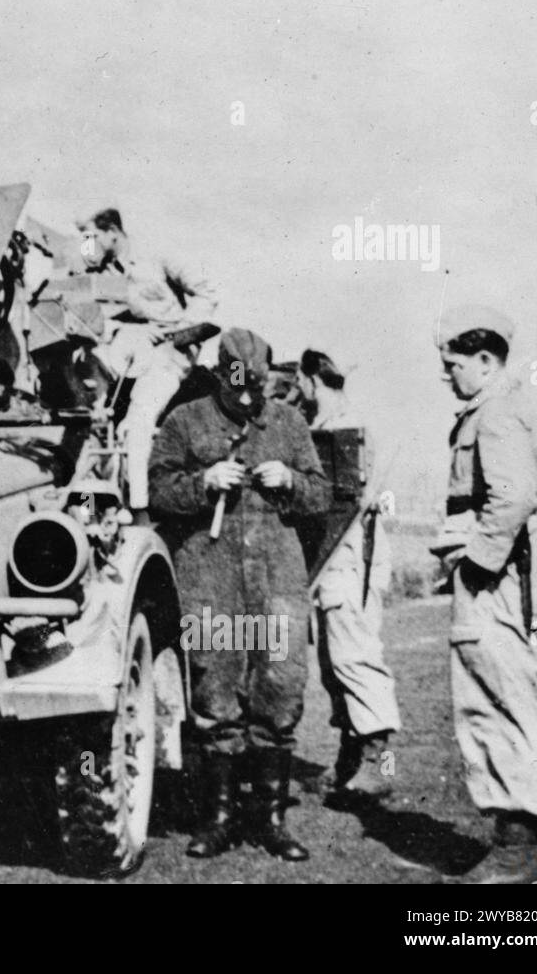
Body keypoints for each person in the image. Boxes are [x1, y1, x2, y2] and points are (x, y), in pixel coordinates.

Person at [149, 328, 331, 860]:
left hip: (276, 580)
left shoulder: (290, 422)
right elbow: (158, 490)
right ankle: (218, 818)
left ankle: (271, 821)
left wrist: (292, 482)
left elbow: (322, 495)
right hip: (211, 578)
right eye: (238, 389)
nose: (249, 399)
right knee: (214, 692)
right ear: (219, 376)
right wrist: (203, 482)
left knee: (280, 687)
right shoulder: (184, 422)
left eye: (257, 388)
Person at [431, 305, 537, 883]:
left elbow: (510, 499)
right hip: (507, 573)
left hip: (501, 580)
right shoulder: (494, 409)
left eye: (454, 364)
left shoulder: (496, 414)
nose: (448, 375)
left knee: (500, 700)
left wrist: (476, 564)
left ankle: (518, 845)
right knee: (505, 699)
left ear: (486, 362)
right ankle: (516, 840)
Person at [297, 349, 401, 801]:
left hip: (353, 553)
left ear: (310, 380)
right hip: (330, 560)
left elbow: (370, 494)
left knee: (353, 654)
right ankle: (349, 761)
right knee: (333, 664)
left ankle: (378, 761)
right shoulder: (319, 427)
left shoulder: (352, 426)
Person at [74, 207, 221, 513]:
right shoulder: (99, 271)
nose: (86, 246)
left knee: (136, 425)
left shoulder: (157, 254)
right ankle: (98, 502)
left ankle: (137, 509)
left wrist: (176, 336)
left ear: (112, 232)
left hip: (168, 352)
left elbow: (207, 293)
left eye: (91, 237)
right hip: (127, 349)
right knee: (91, 412)